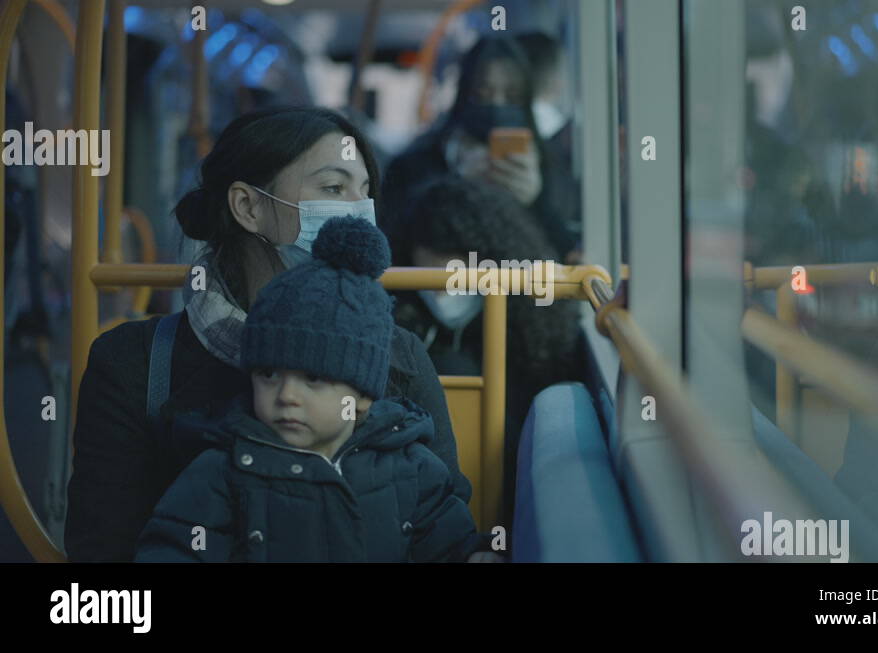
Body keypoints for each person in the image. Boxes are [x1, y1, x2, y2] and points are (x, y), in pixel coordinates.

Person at [66, 107, 471, 563]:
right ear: (248, 207)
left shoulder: (397, 355)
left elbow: (445, 530)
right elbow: (103, 549)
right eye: (333, 188)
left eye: (365, 193)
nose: (358, 214)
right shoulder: (137, 365)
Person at [135, 218, 481, 562]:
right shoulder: (225, 469)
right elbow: (175, 547)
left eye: (313, 379)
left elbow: (452, 546)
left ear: (362, 396)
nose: (286, 395)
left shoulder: (411, 468)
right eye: (268, 374)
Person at [389, 176, 585, 529]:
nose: (443, 281)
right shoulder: (400, 328)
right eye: (430, 256)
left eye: (456, 258)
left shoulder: (533, 335)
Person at [382, 36, 580, 262]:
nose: (497, 105)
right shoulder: (412, 166)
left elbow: (567, 253)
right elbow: (392, 243)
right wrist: (455, 186)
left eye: (512, 97)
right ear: (463, 96)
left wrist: (536, 201)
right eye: (482, 94)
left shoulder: (549, 168)